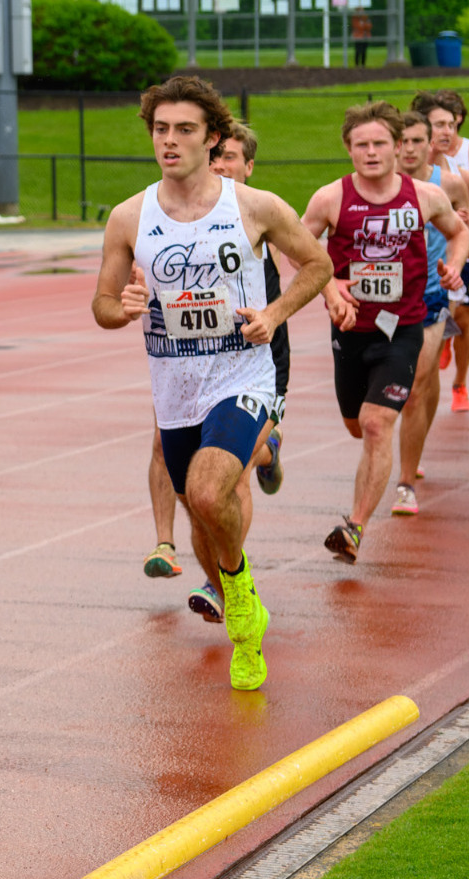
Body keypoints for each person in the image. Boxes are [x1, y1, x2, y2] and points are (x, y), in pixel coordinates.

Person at [94, 77, 332, 690]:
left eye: (184, 130)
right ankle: (241, 606)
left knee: (205, 492)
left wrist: (274, 315)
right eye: (160, 130)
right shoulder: (129, 217)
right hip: (175, 385)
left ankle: (239, 592)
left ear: (214, 138)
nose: (169, 142)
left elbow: (318, 265)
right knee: (201, 521)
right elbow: (100, 303)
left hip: (243, 373)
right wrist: (121, 306)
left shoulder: (255, 207)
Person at [301, 101, 469, 563]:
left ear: (398, 147)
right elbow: (294, 250)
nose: (371, 152)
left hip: (404, 330)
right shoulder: (330, 198)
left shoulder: (424, 196)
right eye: (362, 145)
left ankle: (353, 527)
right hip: (350, 329)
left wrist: (454, 267)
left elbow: (459, 233)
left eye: (380, 143)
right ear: (349, 150)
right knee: (356, 425)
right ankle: (365, 494)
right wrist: (330, 286)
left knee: (378, 425)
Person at [156, 120, 293, 622]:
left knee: (223, 487)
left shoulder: (260, 214)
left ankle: (226, 587)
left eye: (230, 157)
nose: (220, 165)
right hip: (188, 369)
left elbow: (313, 259)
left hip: (257, 361)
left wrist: (328, 297)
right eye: (216, 156)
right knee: (197, 492)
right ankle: (266, 452)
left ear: (248, 166)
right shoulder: (172, 217)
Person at [390, 111, 469, 516]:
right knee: (403, 393)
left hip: (431, 297)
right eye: (401, 141)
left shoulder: (448, 184)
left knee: (416, 388)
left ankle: (405, 482)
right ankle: (413, 442)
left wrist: (458, 261)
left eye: (417, 142)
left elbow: (467, 223)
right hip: (385, 302)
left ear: (431, 145)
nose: (408, 149)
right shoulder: (378, 187)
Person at [416, 90, 469, 413]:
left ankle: (459, 382)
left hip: (460, 254)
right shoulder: (405, 173)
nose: (446, 131)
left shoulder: (464, 171)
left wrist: (468, 230)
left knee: (462, 316)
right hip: (422, 262)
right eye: (438, 125)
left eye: (451, 124)